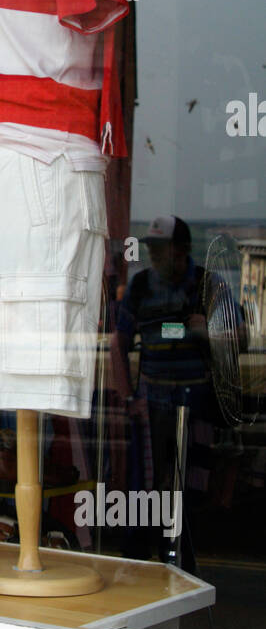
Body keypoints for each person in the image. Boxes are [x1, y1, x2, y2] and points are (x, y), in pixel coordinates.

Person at [111, 216, 223, 567]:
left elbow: (239, 339)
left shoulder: (208, 284)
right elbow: (119, 344)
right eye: (152, 248)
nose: (156, 255)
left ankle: (181, 559)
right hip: (151, 400)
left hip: (195, 402)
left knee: (189, 486)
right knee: (143, 485)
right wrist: (128, 396)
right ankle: (137, 560)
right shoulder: (141, 285)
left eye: (164, 248)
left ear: (183, 249)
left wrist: (208, 332)